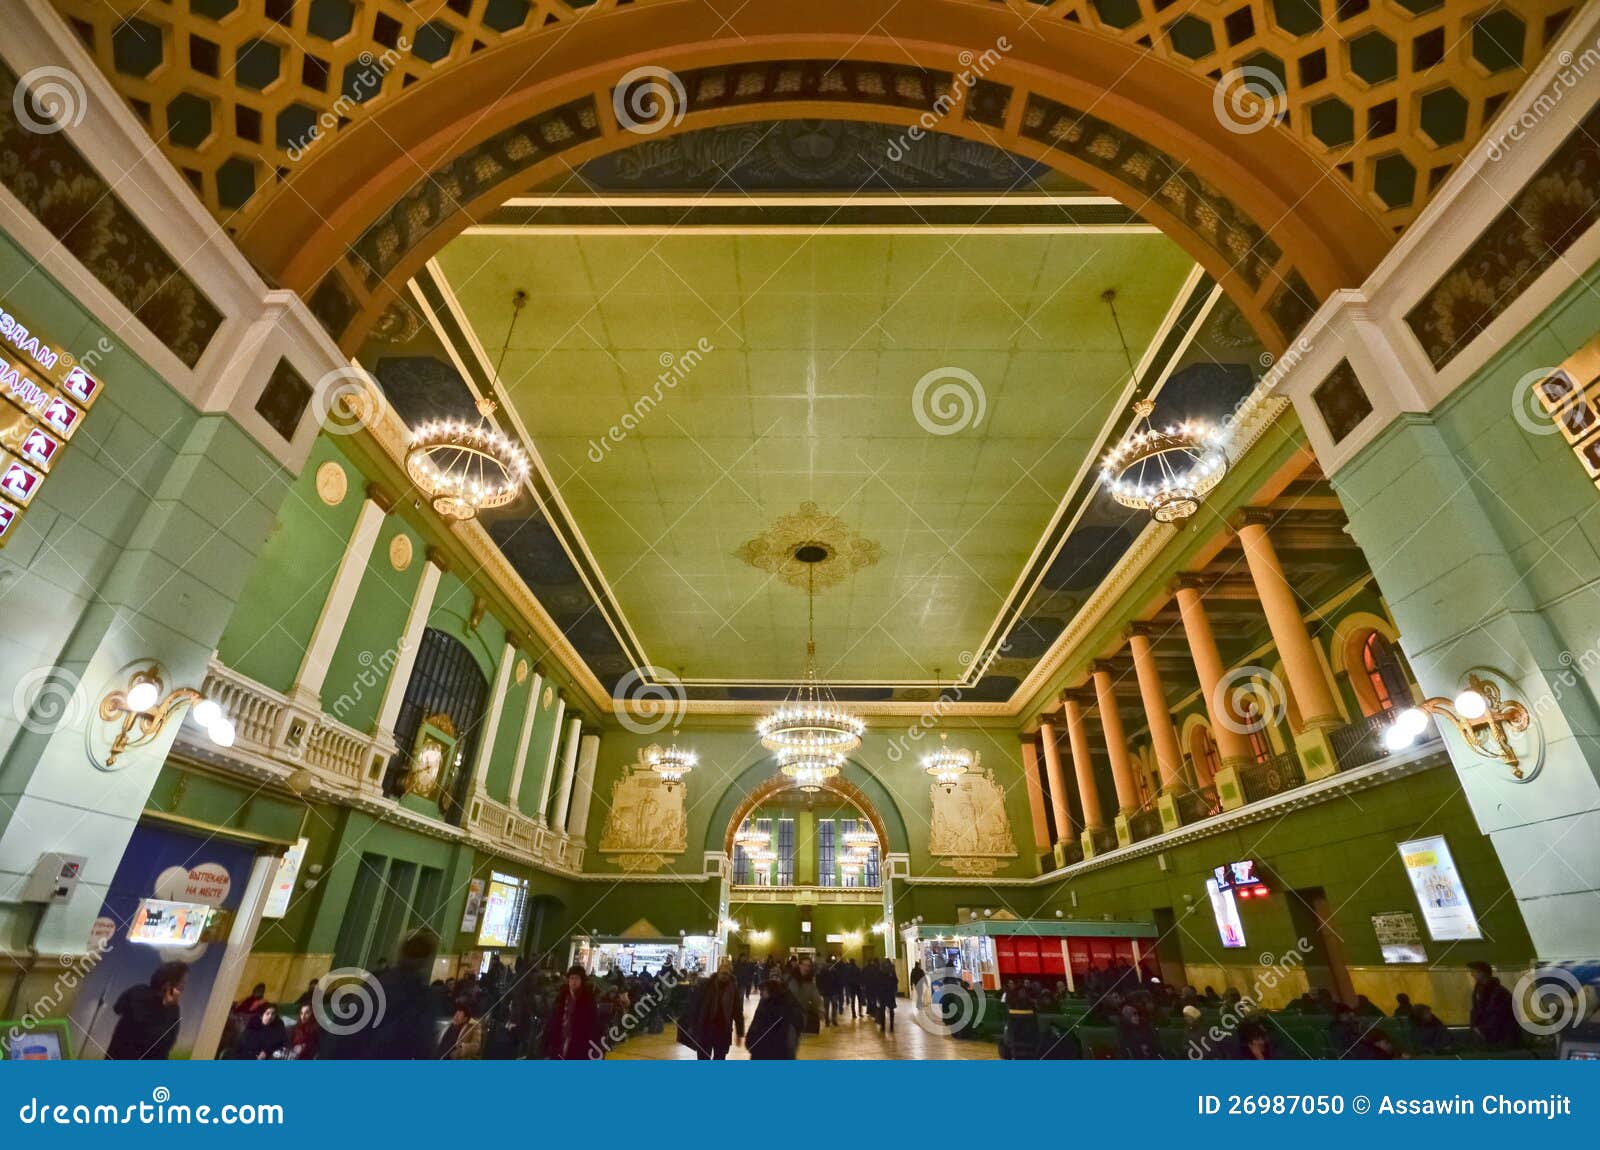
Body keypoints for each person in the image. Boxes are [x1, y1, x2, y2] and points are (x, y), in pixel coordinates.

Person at [324, 930, 439, 1060]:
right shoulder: (423, 998)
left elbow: (341, 1032)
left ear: (399, 952)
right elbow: (425, 1049)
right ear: (427, 960)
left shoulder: (374, 983)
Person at [107, 962, 188, 1060]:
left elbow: (117, 1008)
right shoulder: (171, 1009)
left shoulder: (137, 990)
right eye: (181, 983)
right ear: (168, 985)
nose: (182, 988)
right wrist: (164, 1008)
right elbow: (156, 1042)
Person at [542, 964, 601, 1060]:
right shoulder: (561, 997)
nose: (574, 981)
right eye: (572, 978)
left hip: (579, 1043)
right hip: (560, 1040)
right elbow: (553, 1019)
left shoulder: (588, 1000)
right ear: (568, 980)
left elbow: (593, 1024)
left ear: (582, 981)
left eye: (577, 978)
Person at [694, 958, 745, 1059]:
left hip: (723, 1030)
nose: (724, 976)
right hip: (706, 1027)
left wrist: (739, 1032)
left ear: (730, 974)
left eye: (727, 974)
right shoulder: (707, 985)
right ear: (718, 972)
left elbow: (737, 1011)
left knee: (720, 1057)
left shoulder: (733, 989)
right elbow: (696, 1005)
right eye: (722, 973)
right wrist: (693, 1025)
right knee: (703, 1057)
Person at [747, 978, 802, 1059]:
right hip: (761, 1049)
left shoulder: (785, 1006)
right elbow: (755, 1023)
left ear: (771, 991)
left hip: (776, 1051)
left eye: (763, 991)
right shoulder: (764, 1003)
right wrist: (750, 1041)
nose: (761, 994)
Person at [1469, 962, 1518, 1048]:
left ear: (1482, 973)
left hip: (1500, 1037)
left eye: (1474, 971)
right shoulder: (1479, 991)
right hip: (1487, 1035)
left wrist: (1483, 1030)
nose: (1471, 974)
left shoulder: (1499, 993)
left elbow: (1498, 1015)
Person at [787, 957, 823, 1036]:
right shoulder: (791, 979)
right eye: (804, 965)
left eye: (808, 966)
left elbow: (816, 997)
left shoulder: (809, 982)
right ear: (799, 965)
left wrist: (820, 1009)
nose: (806, 968)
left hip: (802, 1016)